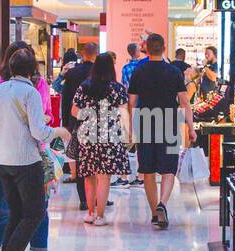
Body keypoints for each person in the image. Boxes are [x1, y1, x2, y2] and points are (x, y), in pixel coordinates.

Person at [0, 46, 70, 251]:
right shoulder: (30, 93)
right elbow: (39, 131)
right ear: (32, 70)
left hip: (3, 160)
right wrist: (59, 132)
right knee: (33, 213)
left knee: (16, 212)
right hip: (26, 161)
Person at [128, 32, 194, 230]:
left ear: (147, 48)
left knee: (147, 169)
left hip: (145, 121)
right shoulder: (174, 72)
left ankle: (155, 213)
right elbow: (184, 101)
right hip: (168, 121)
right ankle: (163, 203)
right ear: (164, 48)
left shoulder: (139, 71)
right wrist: (191, 127)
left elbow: (131, 102)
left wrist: (130, 128)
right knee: (168, 169)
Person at [73, 51, 130, 226]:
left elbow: (74, 111)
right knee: (104, 177)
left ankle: (90, 213)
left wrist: (91, 117)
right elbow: (124, 113)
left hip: (88, 135)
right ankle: (100, 216)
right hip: (110, 136)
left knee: (89, 176)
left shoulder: (85, 86)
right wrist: (127, 134)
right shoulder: (117, 88)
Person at [61, 42, 97, 209]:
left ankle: (83, 199)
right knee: (96, 160)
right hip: (96, 122)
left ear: (82, 53)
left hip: (76, 120)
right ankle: (96, 197)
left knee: (80, 159)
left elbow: (66, 98)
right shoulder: (98, 73)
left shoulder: (73, 73)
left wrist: (67, 121)